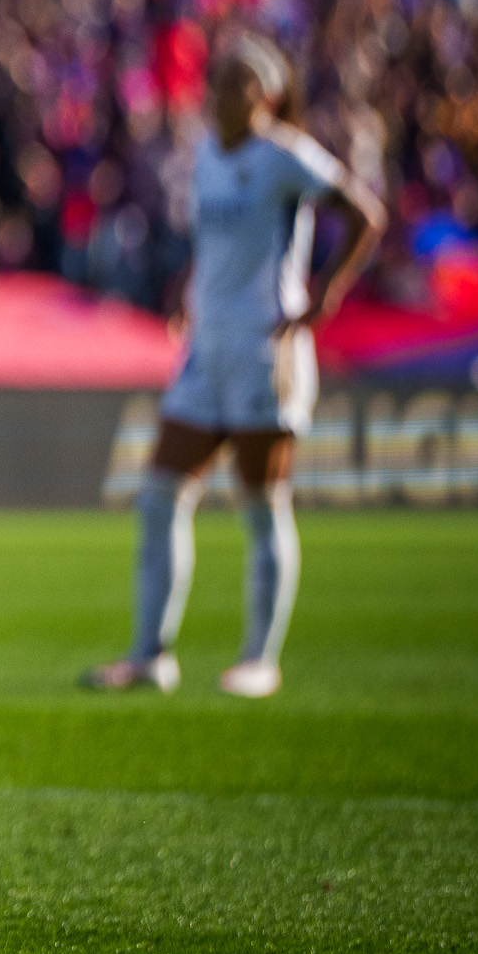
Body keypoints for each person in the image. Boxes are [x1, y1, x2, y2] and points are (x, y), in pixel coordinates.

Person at [84, 35, 382, 699]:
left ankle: (259, 659)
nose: (219, 92)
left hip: (262, 346)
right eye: (218, 79)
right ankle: (149, 654)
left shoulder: (285, 155)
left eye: (236, 82)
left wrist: (326, 293)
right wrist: (190, 289)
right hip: (207, 345)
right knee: (161, 494)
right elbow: (217, 245)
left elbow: (366, 214)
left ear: (267, 94)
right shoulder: (209, 156)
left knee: (261, 503)